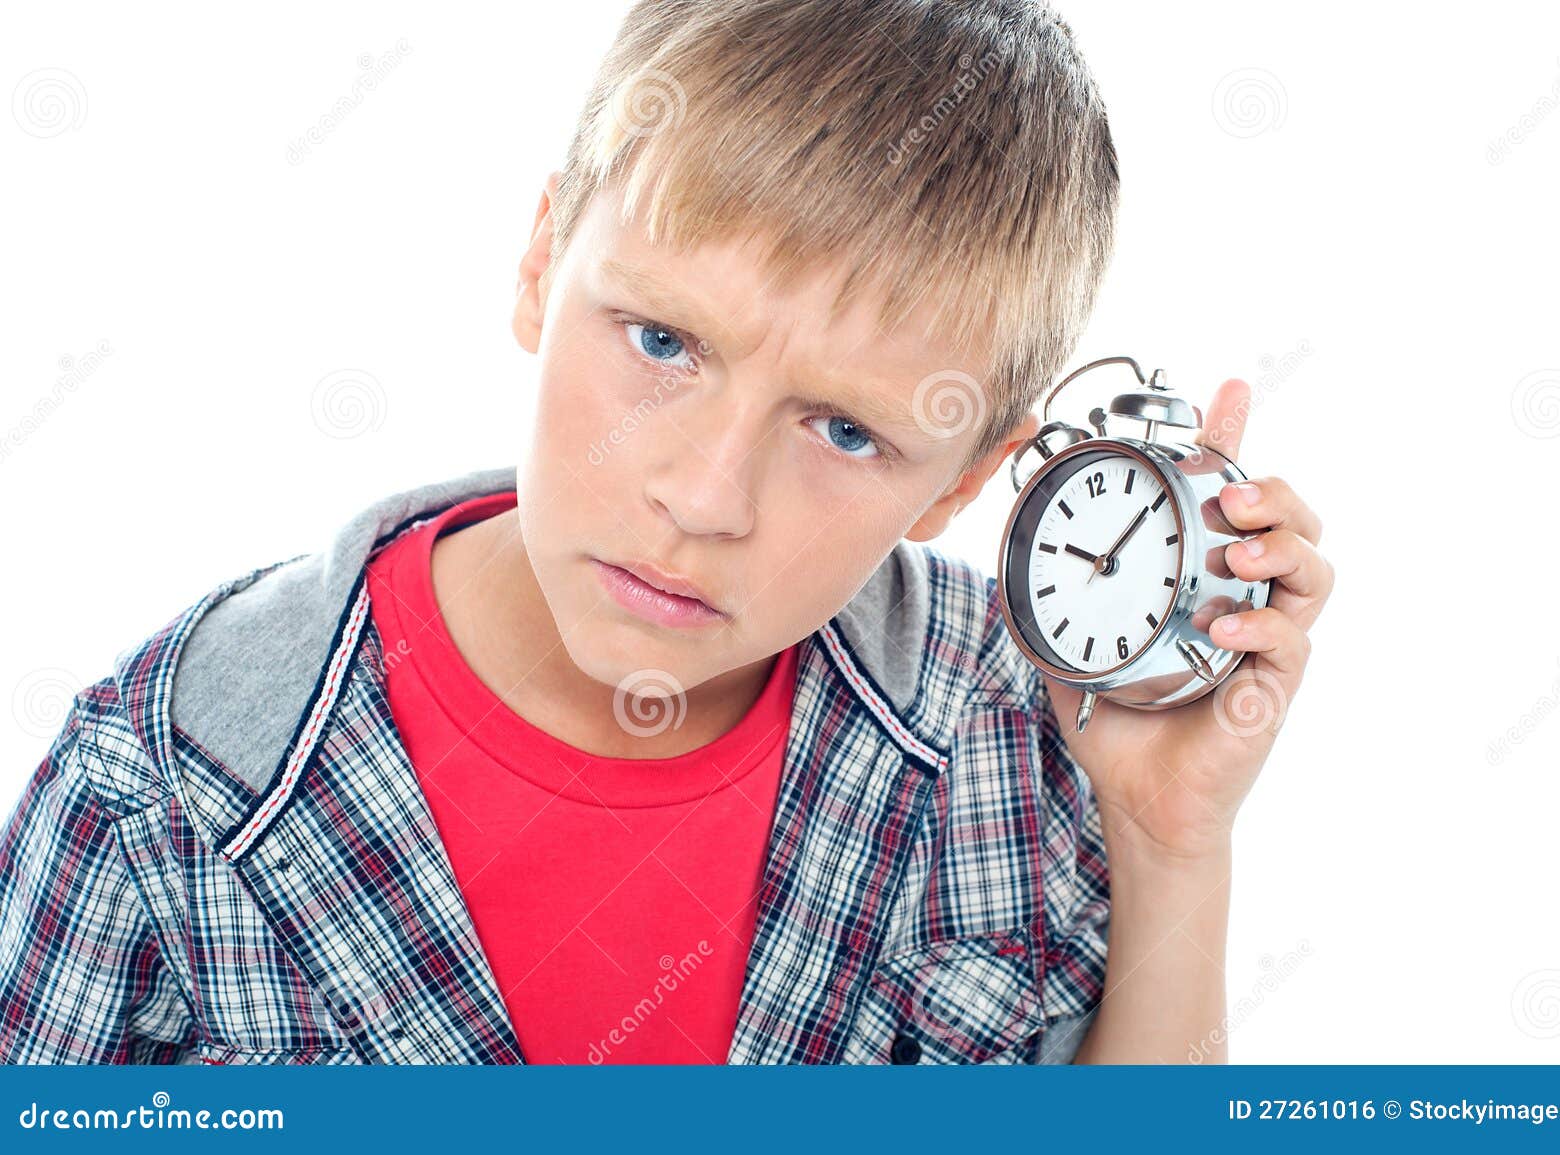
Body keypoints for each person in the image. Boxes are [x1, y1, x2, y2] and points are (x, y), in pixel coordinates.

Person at [0, 0, 1333, 1065]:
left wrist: (1171, 849)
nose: (706, 499)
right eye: (662, 342)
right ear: (542, 262)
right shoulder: (160, 789)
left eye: (846, 429)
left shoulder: (1012, 731)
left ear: (965, 482)